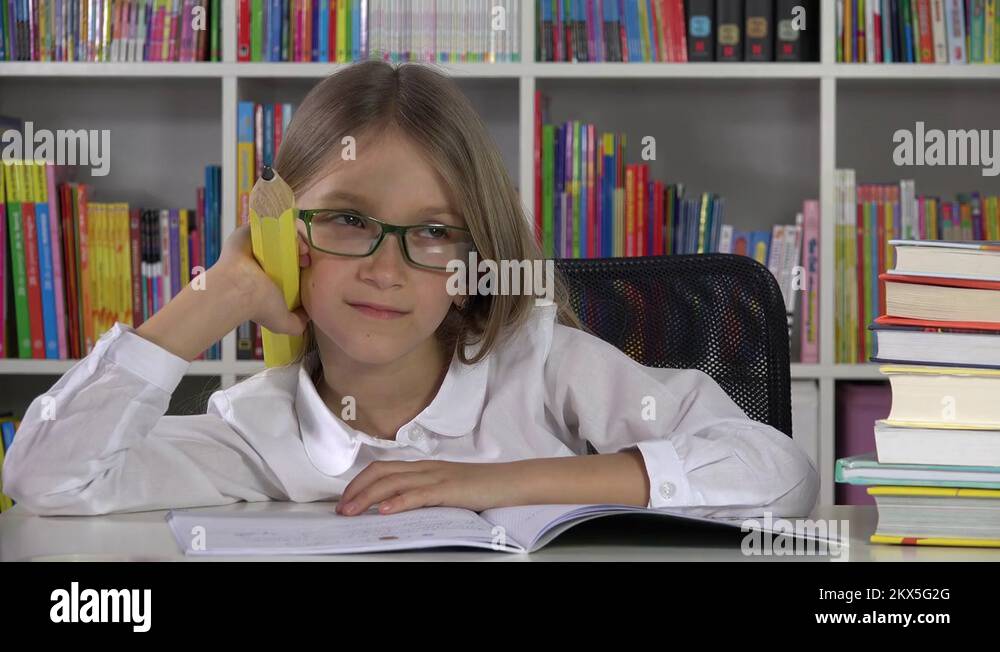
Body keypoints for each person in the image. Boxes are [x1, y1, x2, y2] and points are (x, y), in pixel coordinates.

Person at [2, 60, 817, 518]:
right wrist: (218, 294)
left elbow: (773, 467)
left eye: (433, 232)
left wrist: (489, 483)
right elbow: (46, 481)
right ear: (286, 233)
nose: (387, 269)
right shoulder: (258, 433)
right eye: (349, 220)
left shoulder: (545, 368)